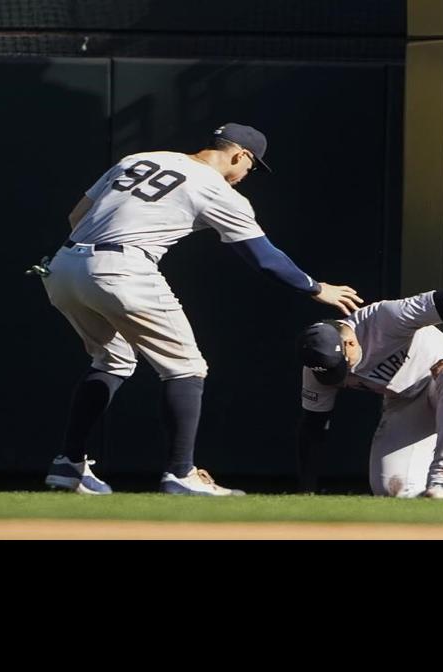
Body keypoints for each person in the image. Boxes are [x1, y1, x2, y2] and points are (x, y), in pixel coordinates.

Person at [41, 122, 362, 496]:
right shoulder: (216, 189)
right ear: (239, 154)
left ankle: (68, 464)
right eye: (251, 167)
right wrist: (317, 288)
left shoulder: (141, 158)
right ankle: (182, 474)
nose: (246, 175)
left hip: (62, 266)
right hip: (122, 268)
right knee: (187, 368)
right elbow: (265, 259)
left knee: (111, 362)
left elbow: (76, 216)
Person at [296, 290, 443, 500]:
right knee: (392, 490)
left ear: (350, 344)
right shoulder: (317, 367)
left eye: (339, 367)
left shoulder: (385, 317)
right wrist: (306, 490)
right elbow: (313, 426)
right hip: (406, 400)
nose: (338, 375)